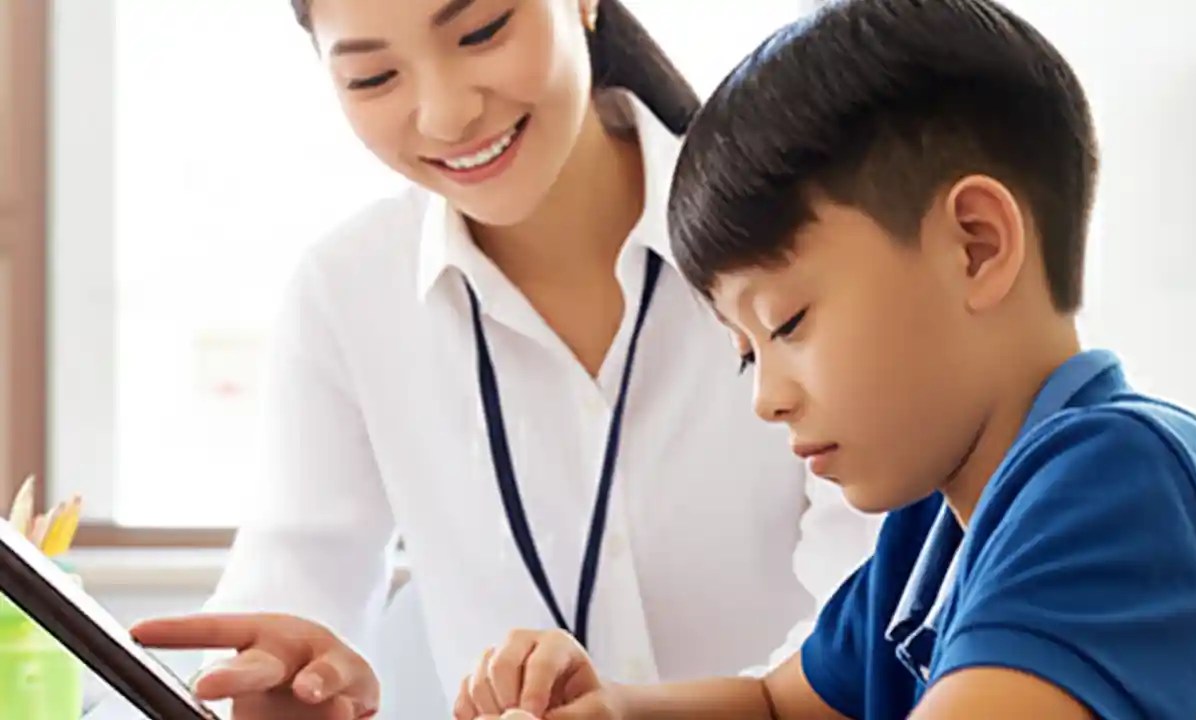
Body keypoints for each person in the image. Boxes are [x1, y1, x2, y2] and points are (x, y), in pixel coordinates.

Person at [452, 0, 1196, 717]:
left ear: (975, 246)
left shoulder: (1120, 481)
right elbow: (779, 706)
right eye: (746, 356)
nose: (766, 399)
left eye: (790, 323)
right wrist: (616, 711)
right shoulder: (931, 530)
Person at [128, 0, 879, 718]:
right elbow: (289, 588)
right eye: (373, 78)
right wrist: (281, 681)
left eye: (482, 30)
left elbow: (869, 618)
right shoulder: (348, 292)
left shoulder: (799, 234)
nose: (447, 114)